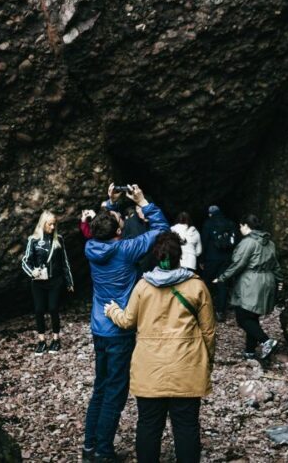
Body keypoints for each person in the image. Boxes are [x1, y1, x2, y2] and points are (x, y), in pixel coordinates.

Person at [103, 232, 215, 463]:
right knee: (186, 426)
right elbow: (208, 331)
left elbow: (127, 321)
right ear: (179, 256)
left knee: (148, 424)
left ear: (157, 256)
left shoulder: (143, 287)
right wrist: (207, 362)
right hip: (187, 366)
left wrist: (112, 310)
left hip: (149, 367)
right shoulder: (197, 287)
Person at [82, 184, 170, 462]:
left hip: (99, 326)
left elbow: (100, 225)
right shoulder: (126, 249)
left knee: (100, 387)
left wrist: (109, 203)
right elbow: (162, 229)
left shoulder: (90, 246)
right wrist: (143, 201)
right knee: (114, 392)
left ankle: (89, 447)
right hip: (120, 328)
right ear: (119, 232)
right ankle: (103, 452)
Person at [213, 214, 282, 360]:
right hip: (267, 280)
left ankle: (266, 341)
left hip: (251, 282)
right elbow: (276, 265)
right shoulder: (269, 243)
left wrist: (222, 278)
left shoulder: (249, 242)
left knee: (243, 318)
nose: (239, 229)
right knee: (253, 316)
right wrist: (280, 281)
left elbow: (238, 263)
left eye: (240, 226)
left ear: (246, 226)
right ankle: (250, 352)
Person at [21, 210, 74, 355]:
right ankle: (41, 340)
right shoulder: (33, 240)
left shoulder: (59, 239)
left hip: (55, 281)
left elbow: (65, 262)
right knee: (39, 310)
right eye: (50, 224)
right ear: (43, 224)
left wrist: (69, 282)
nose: (52, 227)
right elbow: (25, 261)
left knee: (53, 308)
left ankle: (56, 339)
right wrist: (32, 272)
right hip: (38, 282)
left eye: (54, 224)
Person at [200, 205, 238, 321]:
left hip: (211, 259)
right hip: (226, 259)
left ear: (210, 213)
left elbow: (204, 242)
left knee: (206, 284)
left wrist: (201, 259)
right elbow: (235, 241)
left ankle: (204, 310)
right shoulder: (229, 223)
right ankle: (220, 312)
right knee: (222, 284)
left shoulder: (208, 223)